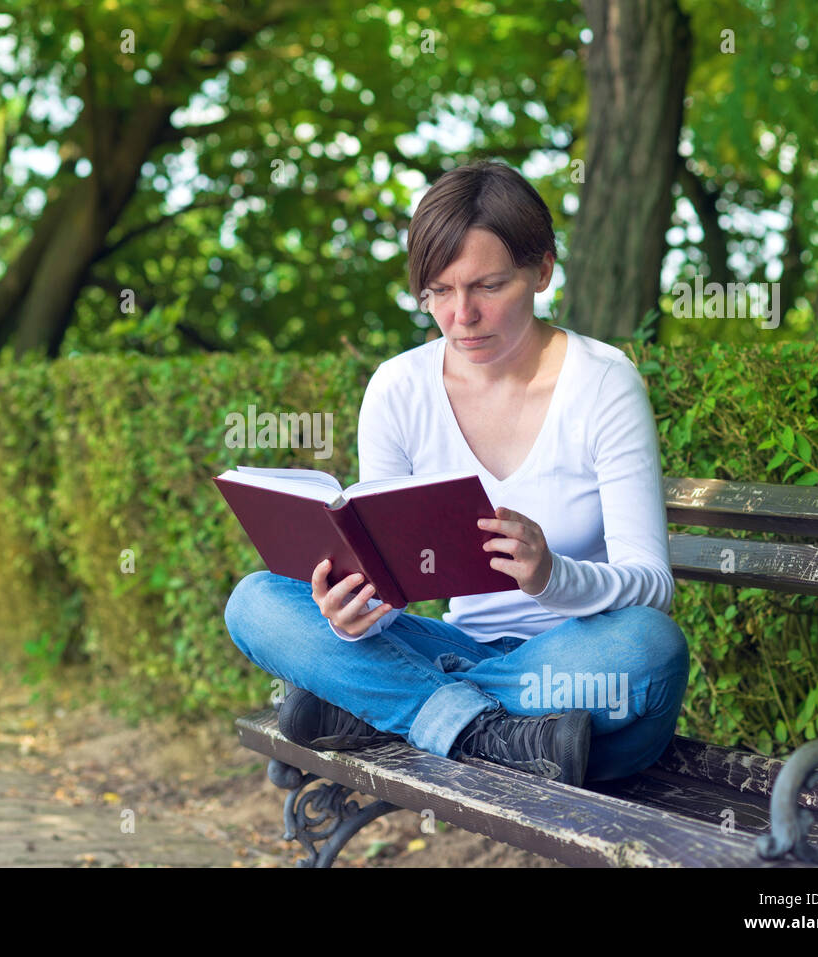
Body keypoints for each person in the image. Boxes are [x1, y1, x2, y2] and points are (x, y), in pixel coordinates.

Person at [223, 159, 689, 787]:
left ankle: (387, 707)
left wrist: (552, 575)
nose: (460, 315)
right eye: (439, 292)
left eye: (487, 287)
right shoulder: (398, 388)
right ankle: (489, 737)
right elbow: (389, 587)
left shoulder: (604, 384)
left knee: (649, 650)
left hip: (572, 662)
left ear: (542, 270)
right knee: (256, 603)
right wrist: (354, 614)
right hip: (458, 652)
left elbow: (651, 585)